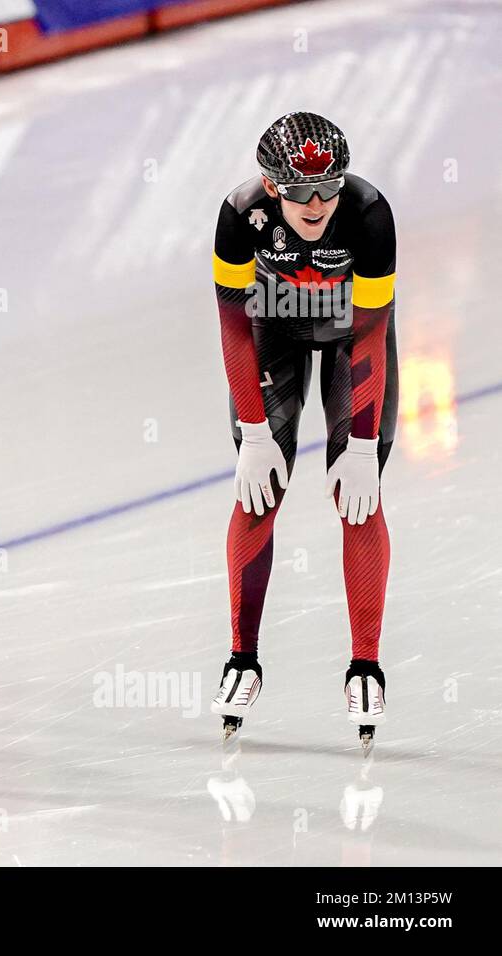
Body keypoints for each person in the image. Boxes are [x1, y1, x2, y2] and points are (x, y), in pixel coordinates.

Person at [208, 112, 397, 751]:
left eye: (328, 187)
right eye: (300, 190)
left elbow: (372, 328)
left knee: (358, 495)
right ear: (270, 186)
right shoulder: (239, 217)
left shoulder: (369, 215)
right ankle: (242, 657)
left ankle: (365, 664)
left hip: (352, 342)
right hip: (275, 337)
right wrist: (254, 432)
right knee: (258, 491)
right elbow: (234, 327)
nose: (317, 204)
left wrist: (364, 444)